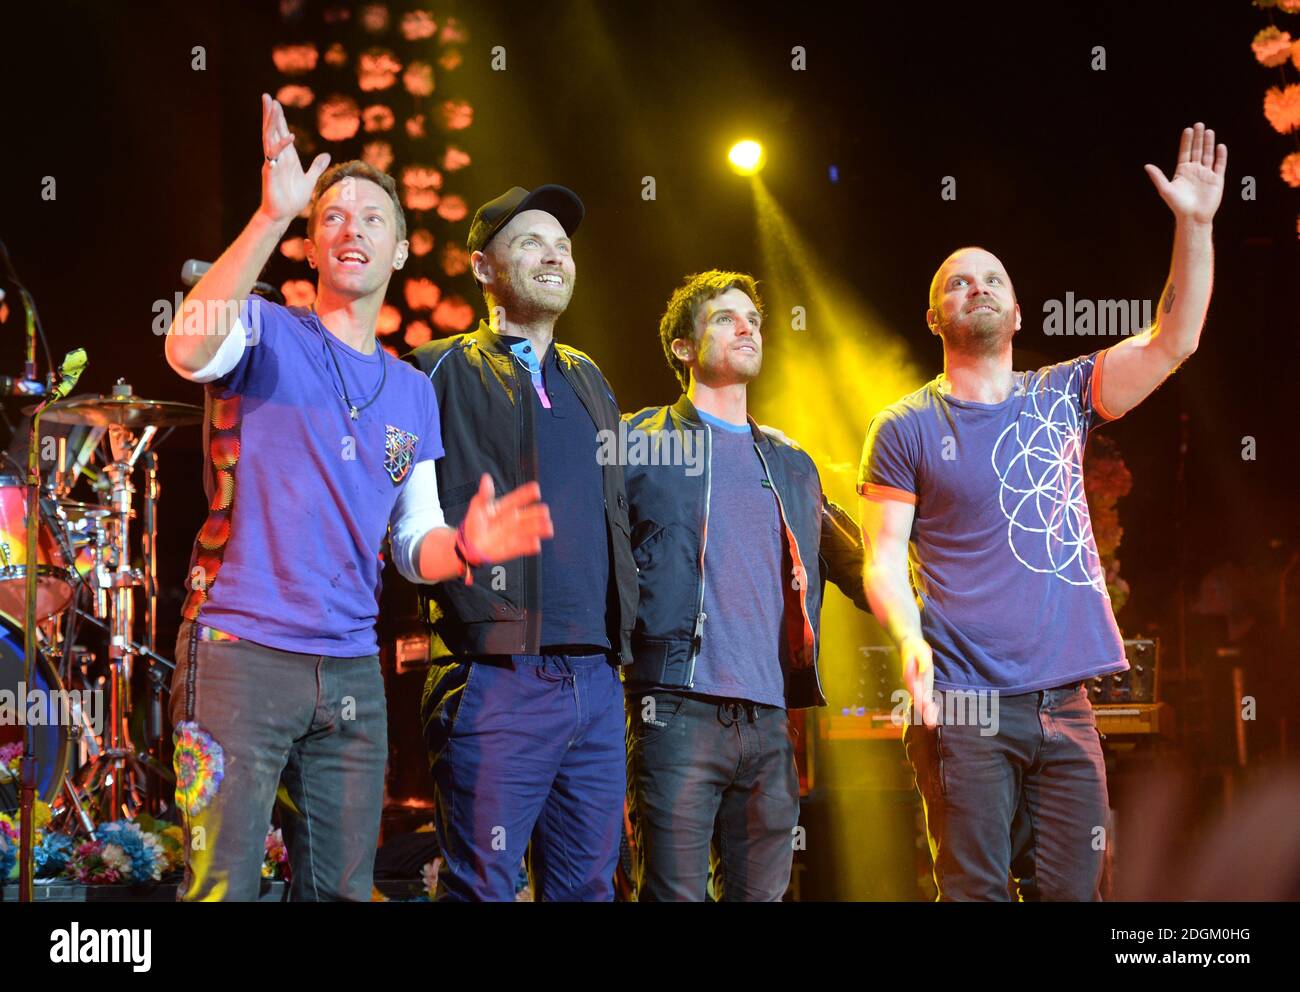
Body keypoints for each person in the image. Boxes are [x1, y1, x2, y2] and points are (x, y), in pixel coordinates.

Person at [163, 94, 552, 901]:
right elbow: (188, 349)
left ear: (400, 250)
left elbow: (415, 540)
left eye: (373, 219)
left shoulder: (412, 392)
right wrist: (270, 214)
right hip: (238, 652)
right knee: (223, 888)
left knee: (343, 891)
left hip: (348, 670)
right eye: (332, 217)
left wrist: (465, 547)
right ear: (310, 245)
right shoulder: (264, 330)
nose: (352, 229)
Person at [858, 123, 1226, 900]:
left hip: (1066, 703)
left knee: (1075, 891)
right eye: (958, 282)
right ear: (934, 317)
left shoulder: (1063, 392)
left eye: (992, 278)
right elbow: (883, 557)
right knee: (975, 891)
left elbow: (1175, 340)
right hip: (964, 702)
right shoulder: (903, 426)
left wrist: (1194, 225)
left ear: (1019, 312)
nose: (978, 287)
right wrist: (907, 639)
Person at [403, 185, 638, 901]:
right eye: (532, 241)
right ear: (482, 266)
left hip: (595, 678)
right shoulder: (430, 369)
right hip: (494, 673)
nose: (555, 255)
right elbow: (396, 518)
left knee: (588, 890)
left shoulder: (590, 378)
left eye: (563, 245)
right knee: (483, 889)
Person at [622, 270, 869, 901]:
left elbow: (861, 569)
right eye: (726, 318)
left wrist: (943, 601)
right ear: (683, 346)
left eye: (754, 319)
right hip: (674, 709)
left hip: (769, 722)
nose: (748, 328)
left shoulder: (792, 464)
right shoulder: (639, 445)